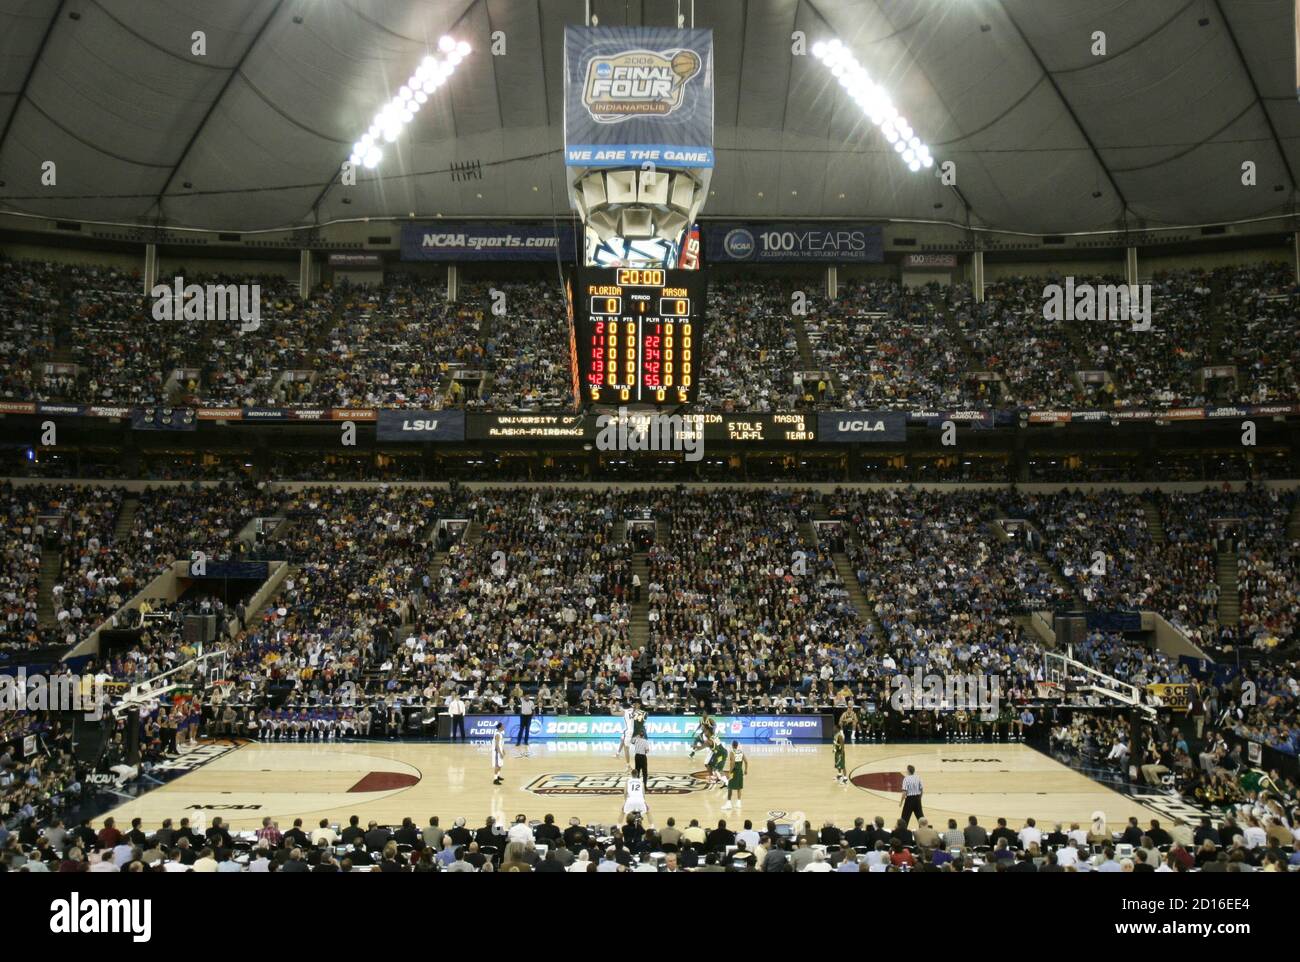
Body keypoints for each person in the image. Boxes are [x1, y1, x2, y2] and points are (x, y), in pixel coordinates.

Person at [721, 741, 747, 811]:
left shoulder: (732, 752)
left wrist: (729, 772)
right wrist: (746, 770)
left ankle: (728, 804)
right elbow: (746, 761)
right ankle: (738, 803)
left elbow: (732, 762)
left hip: (734, 771)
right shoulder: (741, 752)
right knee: (739, 787)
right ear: (737, 745)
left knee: (730, 787)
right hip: (740, 771)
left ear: (732, 745)